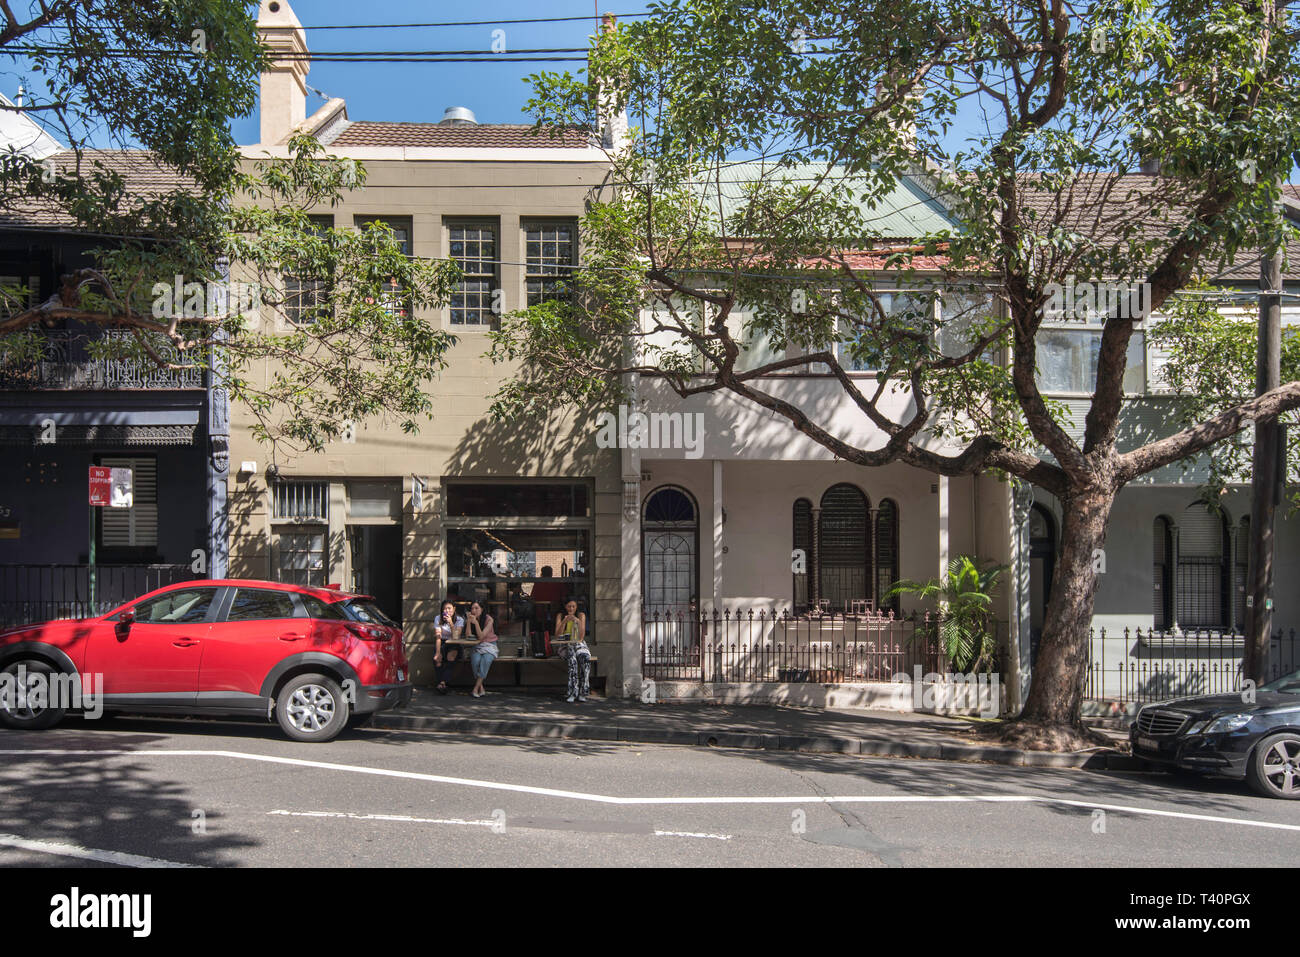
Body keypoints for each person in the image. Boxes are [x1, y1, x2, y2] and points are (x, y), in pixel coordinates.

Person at [553, 598, 589, 703]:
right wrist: (564, 621)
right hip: (564, 646)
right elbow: (557, 635)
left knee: (585, 658)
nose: (571, 609)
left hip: (578, 644)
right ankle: (572, 692)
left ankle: (583, 692)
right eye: (569, 606)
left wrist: (577, 621)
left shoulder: (581, 615)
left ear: (576, 607)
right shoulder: (560, 616)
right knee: (572, 660)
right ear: (565, 607)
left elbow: (581, 637)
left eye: (573, 606)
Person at [464, 600, 499, 698]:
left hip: (489, 645)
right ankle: (481, 687)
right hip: (477, 645)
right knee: (475, 661)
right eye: (472, 608)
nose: (474, 610)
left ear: (482, 609)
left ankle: (475, 688)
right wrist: (468, 622)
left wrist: (476, 623)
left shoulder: (489, 619)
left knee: (486, 660)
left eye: (476, 608)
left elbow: (481, 636)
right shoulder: (472, 618)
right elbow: (468, 635)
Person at [433, 599, 464, 695]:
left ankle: (442, 683)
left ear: (454, 609)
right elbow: (438, 636)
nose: (447, 611)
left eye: (449, 608)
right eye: (445, 609)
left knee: (451, 658)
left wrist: (451, 623)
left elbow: (456, 636)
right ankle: (442, 684)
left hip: (454, 642)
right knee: (437, 661)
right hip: (442, 642)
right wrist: (438, 653)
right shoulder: (438, 618)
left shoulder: (459, 619)